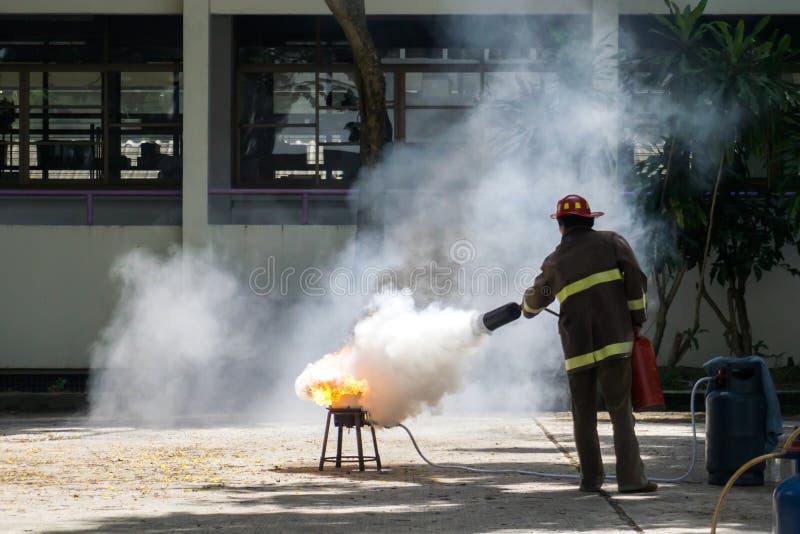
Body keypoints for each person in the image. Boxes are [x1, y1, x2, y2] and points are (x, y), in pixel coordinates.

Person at [522, 194, 657, 494]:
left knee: (583, 416)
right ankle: (632, 480)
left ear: (561, 226)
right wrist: (637, 316)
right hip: (615, 341)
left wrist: (527, 304)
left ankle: (591, 479)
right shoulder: (612, 242)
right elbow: (635, 277)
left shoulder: (554, 262)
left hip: (578, 349)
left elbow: (533, 305)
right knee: (620, 411)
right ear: (591, 220)